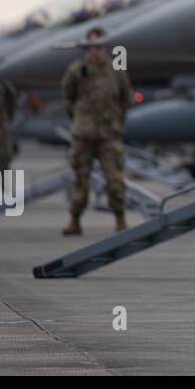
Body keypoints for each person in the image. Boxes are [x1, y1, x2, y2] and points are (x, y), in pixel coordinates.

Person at [60, 26, 132, 236]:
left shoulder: (117, 68)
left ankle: (120, 219)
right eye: (92, 44)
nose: (96, 49)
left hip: (109, 134)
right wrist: (78, 120)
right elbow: (67, 96)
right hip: (84, 134)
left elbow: (126, 98)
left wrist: (117, 122)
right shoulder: (77, 69)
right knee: (80, 178)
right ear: (87, 46)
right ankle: (75, 220)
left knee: (115, 178)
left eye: (100, 44)